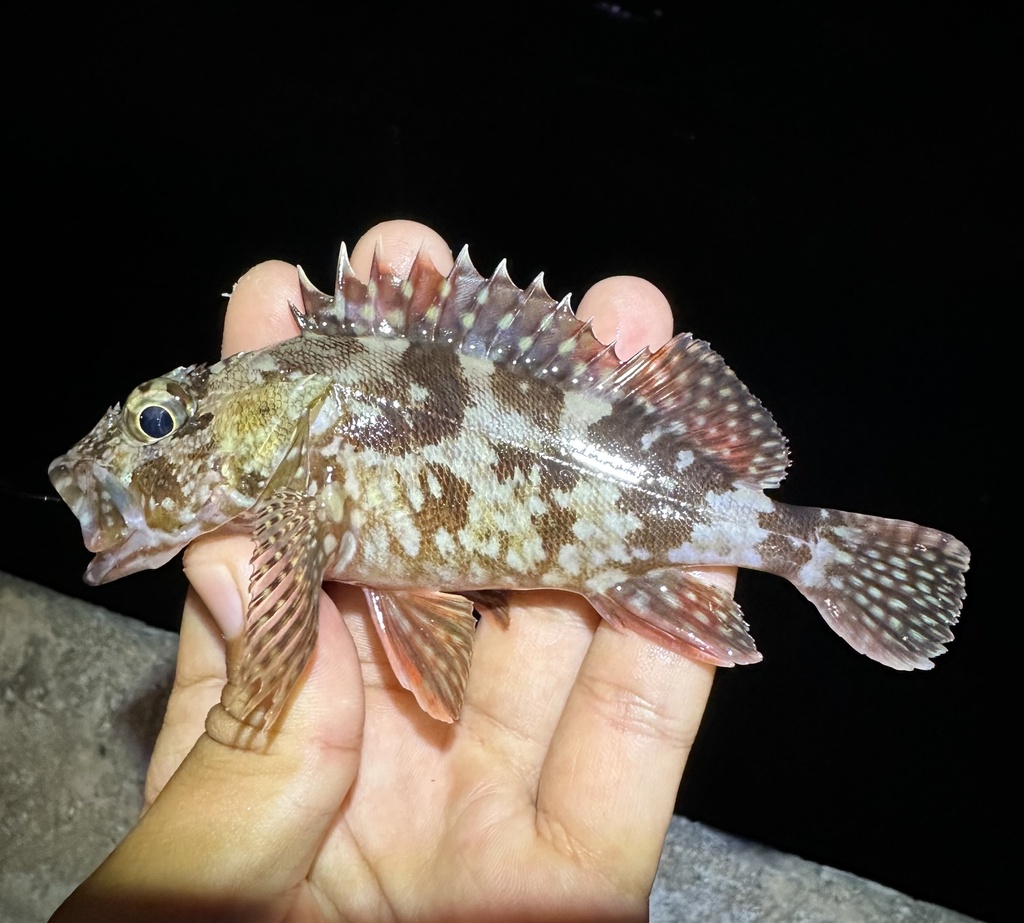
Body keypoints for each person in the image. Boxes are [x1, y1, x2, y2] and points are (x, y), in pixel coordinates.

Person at [51, 220, 731, 922]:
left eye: (157, 423)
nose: (147, 443)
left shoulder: (298, 474)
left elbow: (277, 663)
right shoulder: (297, 451)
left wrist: (256, 714)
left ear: (272, 410)